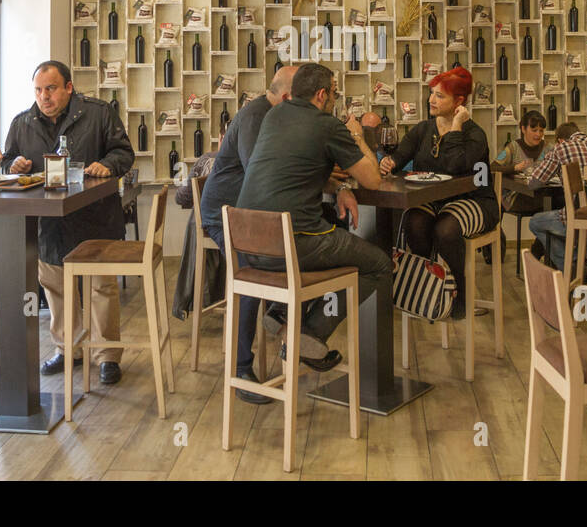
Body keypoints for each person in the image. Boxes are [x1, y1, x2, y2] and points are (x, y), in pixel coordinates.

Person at [234, 63, 388, 368]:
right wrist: (356, 134)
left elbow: (297, 169)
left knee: (334, 237)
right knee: (379, 264)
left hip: (248, 246)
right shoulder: (327, 125)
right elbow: (373, 180)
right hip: (292, 245)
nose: (336, 98)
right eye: (335, 92)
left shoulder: (274, 115)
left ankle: (281, 312)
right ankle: (310, 334)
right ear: (322, 95)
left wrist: (341, 185)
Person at [3, 60, 135, 385]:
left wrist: (107, 164)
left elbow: (124, 153)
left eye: (50, 89)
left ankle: (107, 357)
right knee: (56, 288)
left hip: (96, 218)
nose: (43, 96)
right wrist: (12, 164)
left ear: (69, 88)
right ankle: (68, 350)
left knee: (101, 288)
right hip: (49, 225)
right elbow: (7, 159)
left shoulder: (99, 113)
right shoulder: (22, 122)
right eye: (38, 90)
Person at [199, 65, 298, 403]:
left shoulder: (275, 115)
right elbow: (260, 171)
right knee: (251, 274)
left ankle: (280, 314)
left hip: (252, 214)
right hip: (225, 216)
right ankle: (241, 372)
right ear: (287, 97)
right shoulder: (257, 115)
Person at [379, 67, 497, 320]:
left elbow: (456, 165)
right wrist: (388, 162)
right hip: (432, 201)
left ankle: (461, 294)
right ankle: (432, 285)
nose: (431, 100)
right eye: (432, 94)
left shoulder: (474, 134)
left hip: (475, 201)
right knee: (414, 221)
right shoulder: (423, 129)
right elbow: (399, 157)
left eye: (440, 96)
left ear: (459, 102)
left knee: (445, 229)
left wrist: (455, 126)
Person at [524, 122, 587, 279]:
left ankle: (574, 265)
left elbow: (534, 182)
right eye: (535, 129)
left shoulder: (561, 148)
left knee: (536, 222)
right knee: (581, 233)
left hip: (580, 219)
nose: (538, 134)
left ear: (560, 140)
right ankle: (581, 263)